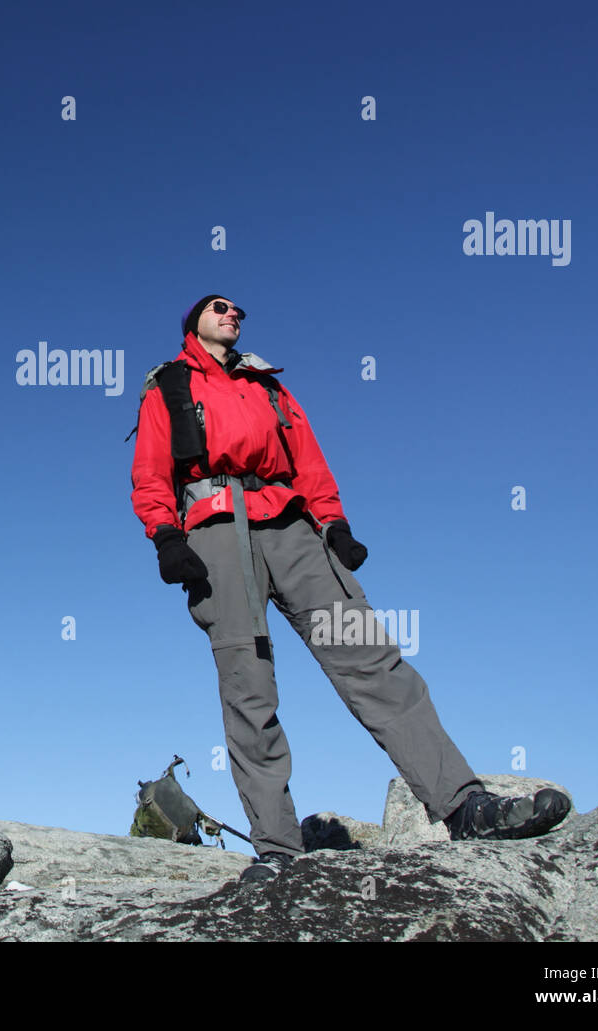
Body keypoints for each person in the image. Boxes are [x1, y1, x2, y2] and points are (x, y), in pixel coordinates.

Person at [130, 293, 572, 882]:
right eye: (219, 307)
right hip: (214, 534)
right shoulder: (171, 385)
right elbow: (151, 467)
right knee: (248, 688)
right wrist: (165, 535)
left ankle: (464, 806)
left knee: (371, 657)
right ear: (194, 321)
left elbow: (309, 459)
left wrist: (334, 523)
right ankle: (280, 852)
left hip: (291, 527)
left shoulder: (268, 387)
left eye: (240, 310)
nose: (233, 313)